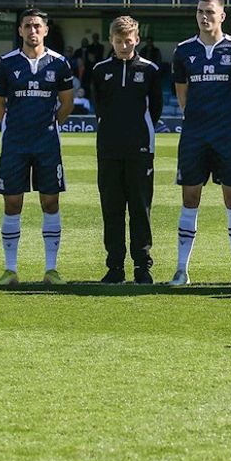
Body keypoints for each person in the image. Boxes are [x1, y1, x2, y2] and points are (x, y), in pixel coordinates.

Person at [169, 0, 231, 286]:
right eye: (200, 12)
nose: (204, 17)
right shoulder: (183, 51)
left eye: (209, 12)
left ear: (222, 16)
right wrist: (197, 120)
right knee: (190, 198)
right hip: (194, 135)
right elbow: (183, 96)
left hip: (227, 135)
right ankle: (182, 269)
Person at [0, 9, 75, 286]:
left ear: (46, 30)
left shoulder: (60, 64)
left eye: (37, 26)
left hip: (47, 143)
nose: (32, 31)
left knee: (50, 202)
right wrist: (17, 126)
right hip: (15, 144)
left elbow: (67, 103)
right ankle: (10, 269)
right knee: (12, 203)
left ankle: (51, 269)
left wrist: (46, 125)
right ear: (20, 31)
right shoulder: (6, 64)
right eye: (27, 26)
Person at [89, 16, 163, 284]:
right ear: (111, 40)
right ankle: (115, 267)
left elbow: (155, 109)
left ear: (137, 40)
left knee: (140, 210)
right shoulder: (99, 70)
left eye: (128, 40)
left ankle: (142, 267)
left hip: (140, 151)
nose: (123, 45)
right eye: (118, 41)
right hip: (108, 150)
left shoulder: (151, 70)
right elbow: (99, 106)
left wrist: (138, 134)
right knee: (112, 209)